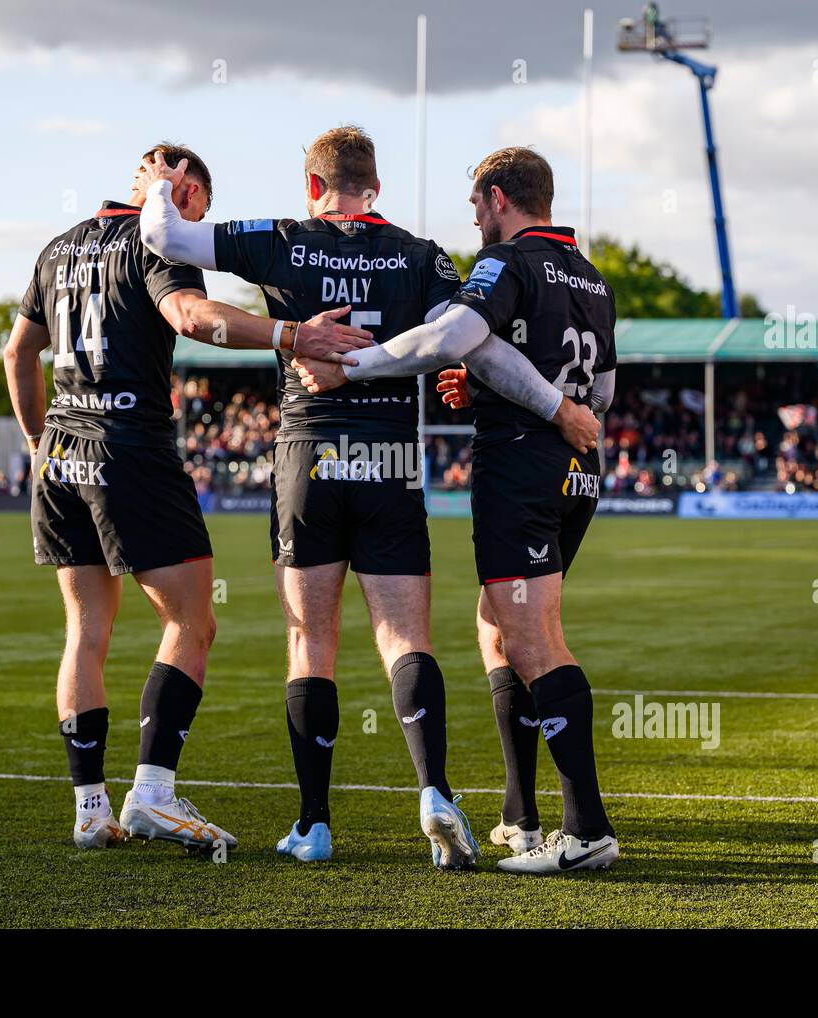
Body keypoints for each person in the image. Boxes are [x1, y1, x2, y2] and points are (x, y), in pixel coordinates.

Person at [139, 125, 597, 868]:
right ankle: (436, 795)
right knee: (404, 639)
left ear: (313, 185)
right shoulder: (422, 255)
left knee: (310, 642)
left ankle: (314, 825)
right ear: (374, 186)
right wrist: (524, 396)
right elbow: (470, 336)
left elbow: (167, 237)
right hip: (389, 457)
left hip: (308, 455)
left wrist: (162, 180)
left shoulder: (282, 238)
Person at [3, 141, 371, 853]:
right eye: (199, 203)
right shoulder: (156, 236)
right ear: (188, 192)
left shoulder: (57, 248)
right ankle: (153, 794)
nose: (196, 219)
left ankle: (89, 809)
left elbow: (18, 352)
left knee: (85, 631)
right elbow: (193, 319)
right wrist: (295, 335)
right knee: (193, 621)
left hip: (63, 456)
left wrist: (35, 442)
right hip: (129, 449)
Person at [296, 146, 621, 874]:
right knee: (499, 624)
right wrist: (484, 392)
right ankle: (520, 815)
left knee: (533, 637)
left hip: (522, 467)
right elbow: (597, 396)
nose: (473, 219)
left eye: (476, 205)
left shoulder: (506, 263)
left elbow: (450, 337)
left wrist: (353, 361)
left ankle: (586, 828)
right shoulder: (592, 277)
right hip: (577, 472)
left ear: (499, 198)